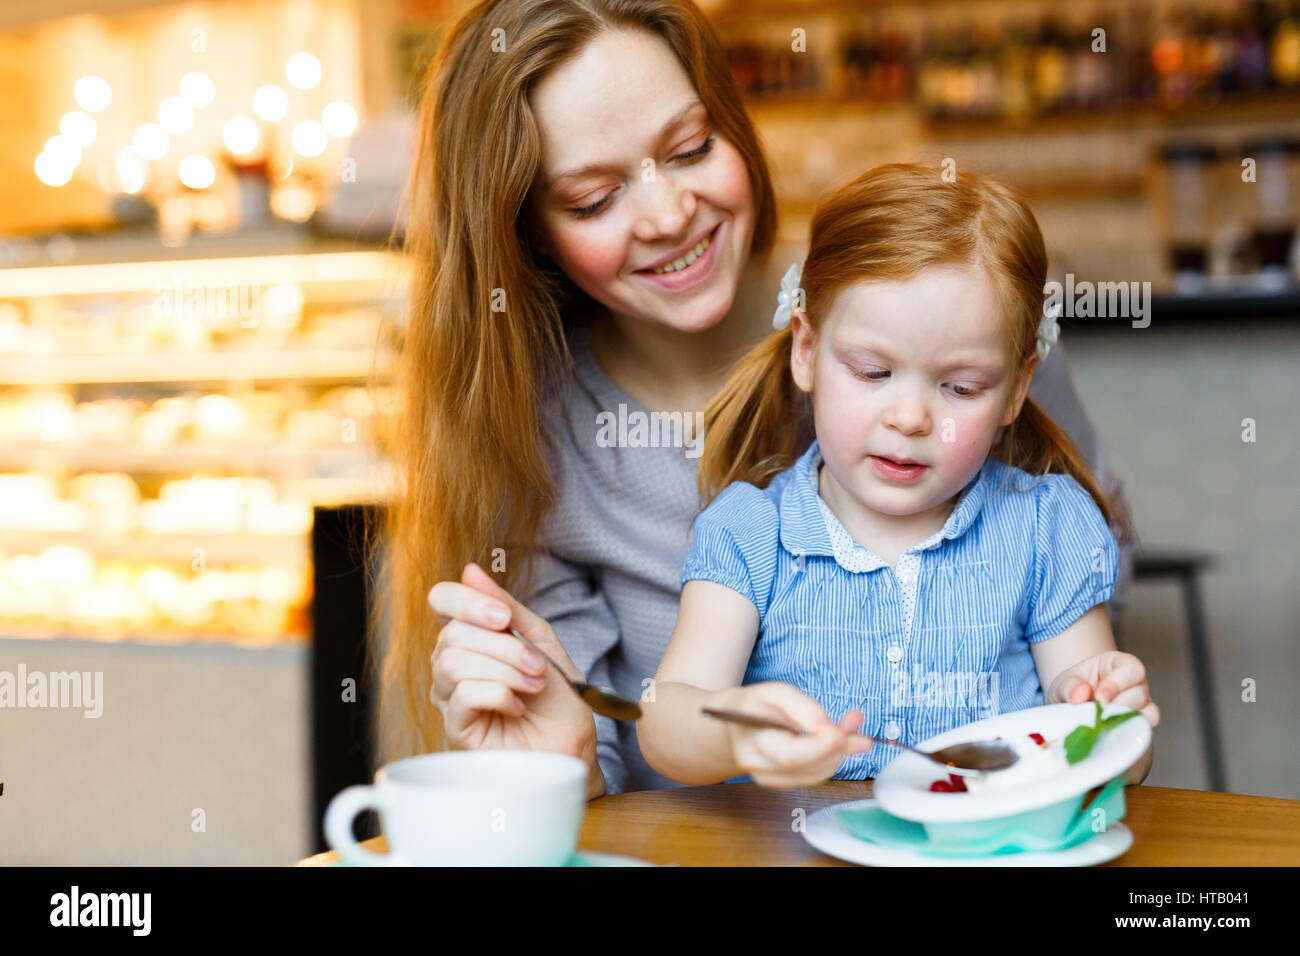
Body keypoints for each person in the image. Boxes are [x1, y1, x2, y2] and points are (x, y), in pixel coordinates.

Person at [384, 0, 1138, 799]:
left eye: (691, 148)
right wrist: (553, 764)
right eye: (593, 200)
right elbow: (615, 760)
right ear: (525, 231)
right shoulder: (538, 431)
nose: (670, 215)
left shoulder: (943, 304)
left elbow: (1089, 584)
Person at [636, 162, 1159, 788]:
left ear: (1017, 390)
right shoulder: (751, 533)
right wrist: (732, 730)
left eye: (960, 387)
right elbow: (665, 723)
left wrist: (1107, 720)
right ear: (806, 349)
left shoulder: (1043, 527)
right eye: (872, 373)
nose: (911, 418)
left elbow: (1120, 767)